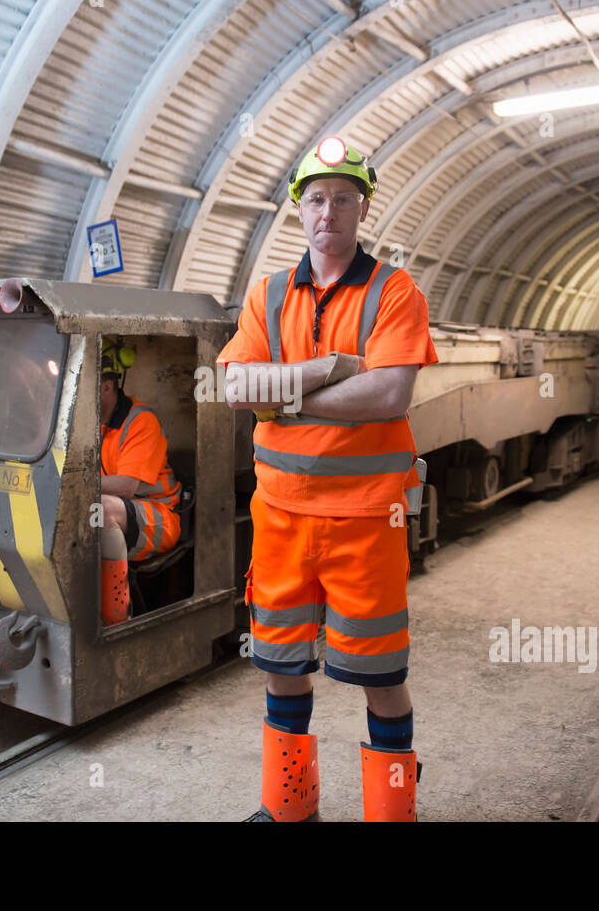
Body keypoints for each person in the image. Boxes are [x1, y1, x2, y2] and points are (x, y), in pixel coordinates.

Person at [217, 136, 438, 821]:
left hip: (369, 521)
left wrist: (280, 395)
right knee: (282, 665)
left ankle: (394, 812)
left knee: (379, 676)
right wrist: (327, 372)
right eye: (316, 199)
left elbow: (388, 396)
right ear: (299, 209)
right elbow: (232, 384)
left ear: (361, 207)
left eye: (343, 199)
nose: (328, 213)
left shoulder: (394, 290)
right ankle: (288, 809)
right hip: (281, 518)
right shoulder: (269, 294)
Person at [98, 338, 182, 625]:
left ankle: (116, 619)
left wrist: (72, 483)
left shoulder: (139, 421)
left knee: (102, 510)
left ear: (106, 386)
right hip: (130, 514)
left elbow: (125, 488)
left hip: (159, 515)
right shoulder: (88, 423)